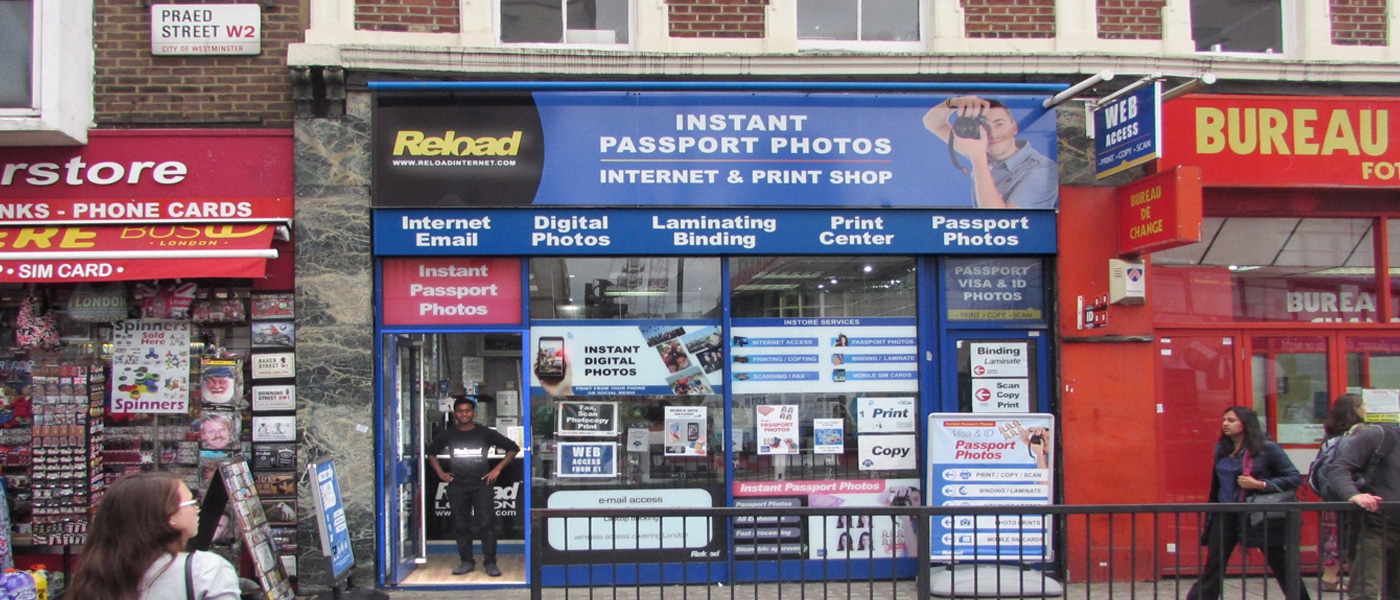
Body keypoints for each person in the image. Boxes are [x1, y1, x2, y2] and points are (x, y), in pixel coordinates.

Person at [1186, 406, 1310, 600]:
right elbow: (1217, 483)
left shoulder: (1267, 448)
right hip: (1226, 512)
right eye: (1224, 420)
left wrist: (1261, 484)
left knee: (1278, 560)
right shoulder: (1222, 448)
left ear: (1246, 423)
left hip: (1257, 512)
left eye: (1232, 420)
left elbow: (1293, 477)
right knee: (1214, 563)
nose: (1225, 424)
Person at [65, 471, 241, 600]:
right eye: (191, 502)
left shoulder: (97, 572)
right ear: (168, 515)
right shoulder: (206, 570)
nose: (197, 509)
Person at [427, 397, 521, 577]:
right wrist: (440, 473)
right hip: (457, 486)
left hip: (482, 485)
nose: (464, 414)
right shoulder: (448, 434)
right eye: (460, 411)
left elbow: (513, 448)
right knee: (461, 525)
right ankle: (466, 561)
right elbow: (431, 453)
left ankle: (491, 563)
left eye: (468, 410)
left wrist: (497, 470)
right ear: (455, 414)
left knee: (486, 525)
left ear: (474, 413)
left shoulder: (485, 433)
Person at [922, 96, 1058, 209]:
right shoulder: (983, 150)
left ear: (1014, 128)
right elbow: (932, 123)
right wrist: (953, 103)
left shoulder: (1043, 169)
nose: (992, 134)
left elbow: (1003, 222)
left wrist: (978, 158)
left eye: (999, 124)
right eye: (985, 126)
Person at [1321, 416, 1400, 600]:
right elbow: (1338, 469)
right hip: (1374, 525)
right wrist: (1353, 494)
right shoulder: (1381, 436)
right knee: (1365, 592)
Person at [1315, 393, 1366, 591]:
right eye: (1363, 405)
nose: (1366, 408)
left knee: (1332, 535)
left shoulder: (1332, 435)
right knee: (1355, 535)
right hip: (1353, 492)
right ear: (1355, 410)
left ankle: (1329, 577)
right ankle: (1357, 580)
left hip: (1331, 494)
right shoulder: (1360, 434)